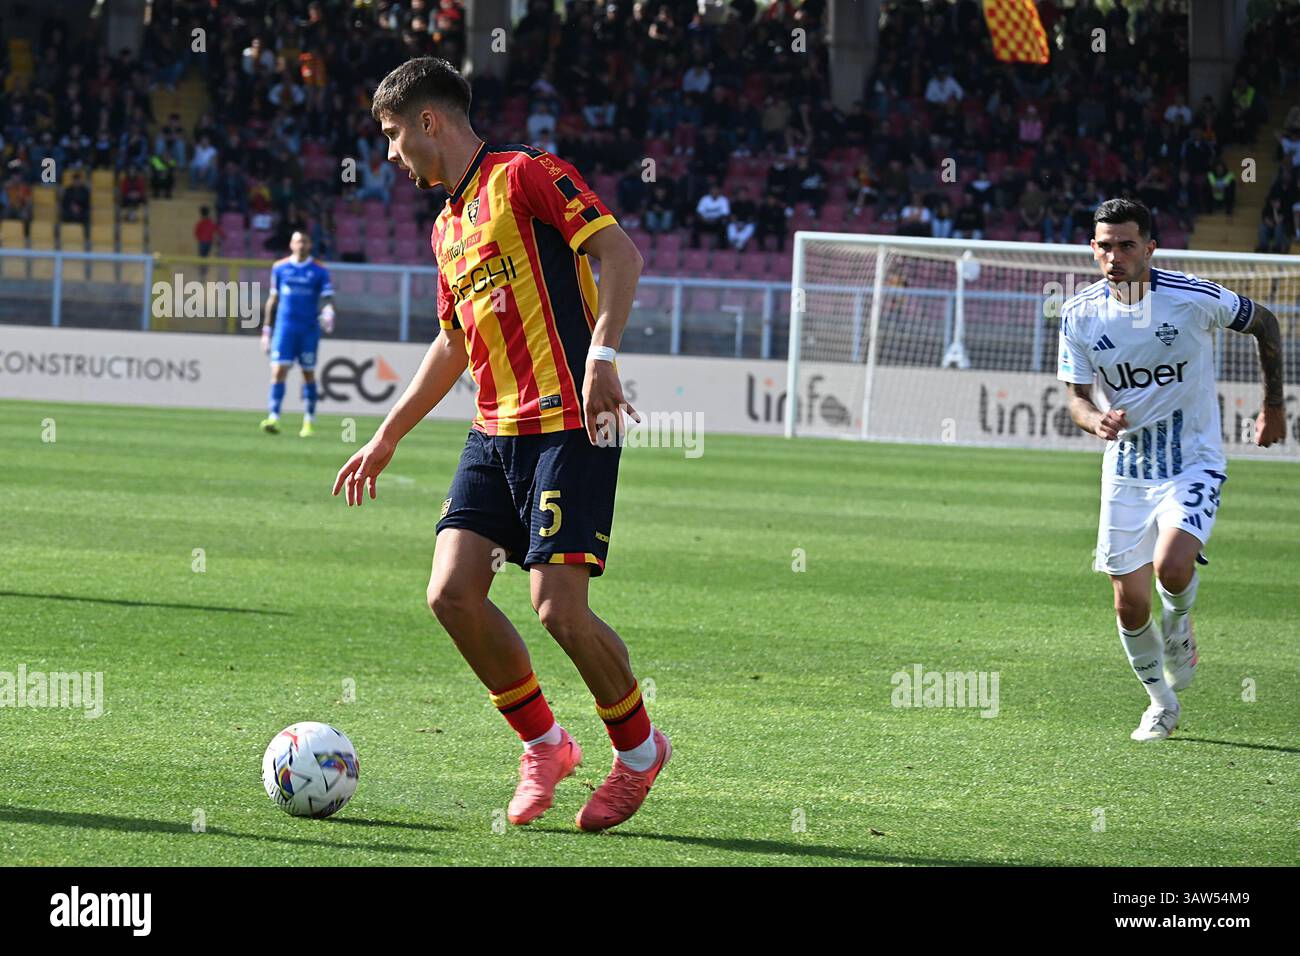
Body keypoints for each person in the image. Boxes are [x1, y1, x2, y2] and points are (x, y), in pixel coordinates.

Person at [332, 57, 670, 833]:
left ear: (429, 121)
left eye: (390, 135)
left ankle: (642, 751)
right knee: (450, 593)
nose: (388, 155)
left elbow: (620, 256)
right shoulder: (446, 226)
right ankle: (545, 745)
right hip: (494, 430)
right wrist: (387, 435)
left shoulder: (528, 175)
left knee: (558, 610)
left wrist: (603, 359)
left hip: (570, 423)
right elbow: (452, 342)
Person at [1056, 199, 1287, 742]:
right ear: (1093, 249)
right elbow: (1075, 397)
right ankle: (1160, 703)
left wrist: (1273, 405)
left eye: (1127, 245)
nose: (1115, 256)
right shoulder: (1079, 314)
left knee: (1172, 566)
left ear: (1150, 248)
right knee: (1127, 601)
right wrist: (1096, 421)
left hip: (1193, 461)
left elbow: (1267, 324)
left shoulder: (1192, 298)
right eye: (1105, 246)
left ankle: (1180, 624)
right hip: (1128, 469)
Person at [259, 230, 335, 437]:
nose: (301, 245)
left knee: (308, 373)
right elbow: (272, 299)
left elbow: (327, 297)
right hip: (284, 329)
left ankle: (308, 421)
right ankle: (273, 417)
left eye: (304, 241)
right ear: (291, 245)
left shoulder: (319, 270)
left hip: (308, 330)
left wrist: (329, 312)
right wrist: (267, 330)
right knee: (278, 372)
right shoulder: (280, 268)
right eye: (297, 241)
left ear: (309, 245)